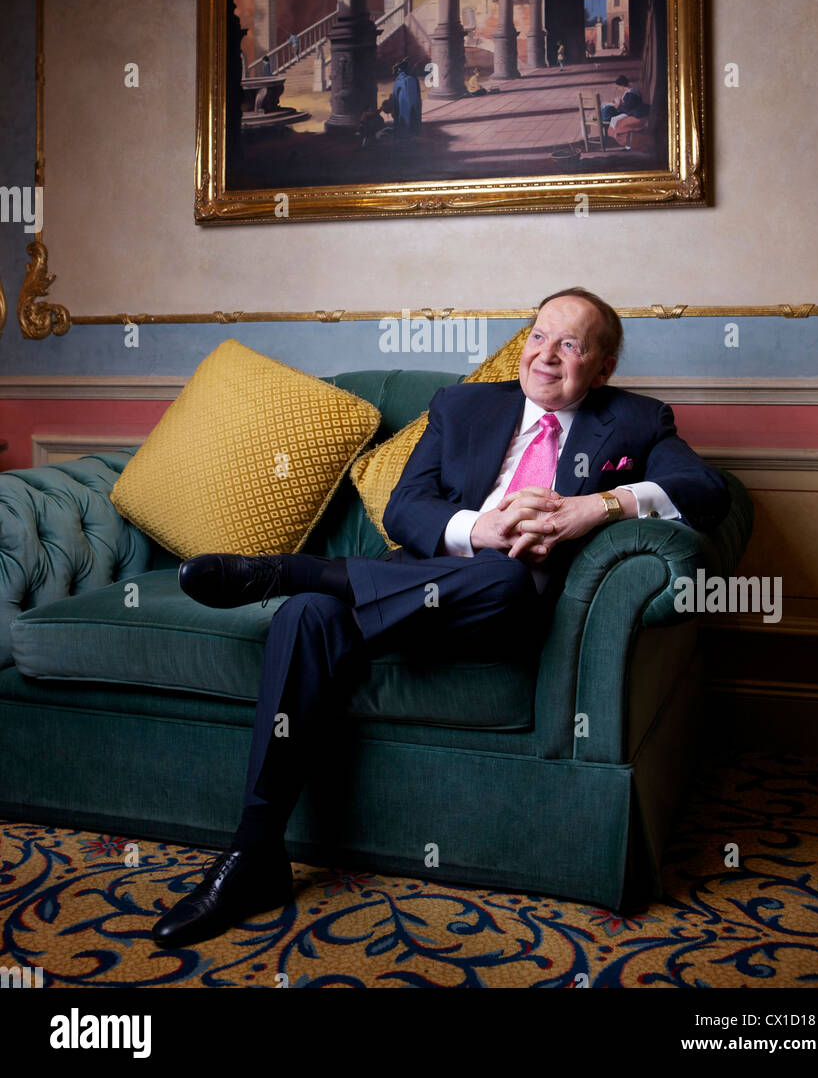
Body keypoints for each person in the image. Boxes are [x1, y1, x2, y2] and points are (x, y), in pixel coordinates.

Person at [151, 288, 730, 947]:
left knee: (509, 582)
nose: (545, 355)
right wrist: (479, 528)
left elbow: (706, 494)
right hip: (430, 579)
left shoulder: (635, 422)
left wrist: (597, 508)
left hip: (507, 601)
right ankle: (255, 855)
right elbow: (405, 509)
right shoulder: (462, 405)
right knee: (308, 618)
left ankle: (296, 569)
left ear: (602, 367)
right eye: (539, 336)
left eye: (571, 344)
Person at [391, 58, 422, 137]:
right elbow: (414, 102)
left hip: (401, 113)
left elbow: (395, 99)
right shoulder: (410, 79)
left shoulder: (398, 81)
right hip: (409, 111)